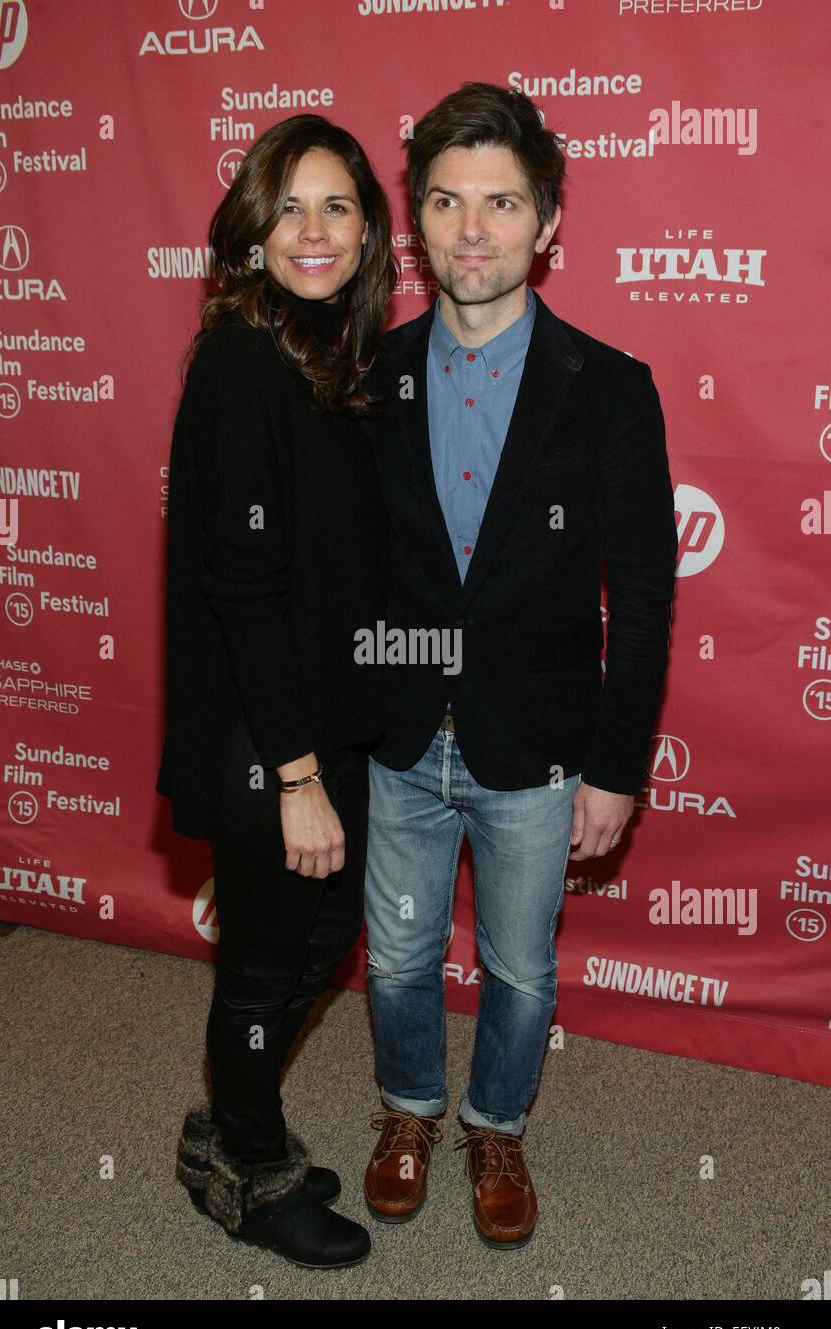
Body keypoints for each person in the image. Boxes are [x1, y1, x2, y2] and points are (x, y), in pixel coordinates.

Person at [359, 83, 679, 1248]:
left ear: (546, 223)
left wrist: (615, 764)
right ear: (418, 221)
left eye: (501, 202)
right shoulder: (371, 376)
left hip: (539, 745)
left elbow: (641, 592)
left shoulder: (608, 388)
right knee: (392, 952)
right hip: (396, 737)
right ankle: (406, 1113)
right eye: (446, 201)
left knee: (518, 969)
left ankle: (495, 1124)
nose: (471, 229)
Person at [155, 113, 397, 1269]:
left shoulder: (323, 358)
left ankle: (232, 1122)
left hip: (314, 717)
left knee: (314, 944)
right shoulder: (248, 359)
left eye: (337, 205)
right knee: (271, 957)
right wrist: (296, 774)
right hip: (269, 738)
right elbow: (245, 587)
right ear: (251, 232)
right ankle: (246, 1171)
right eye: (288, 206)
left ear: (367, 230)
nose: (313, 229)